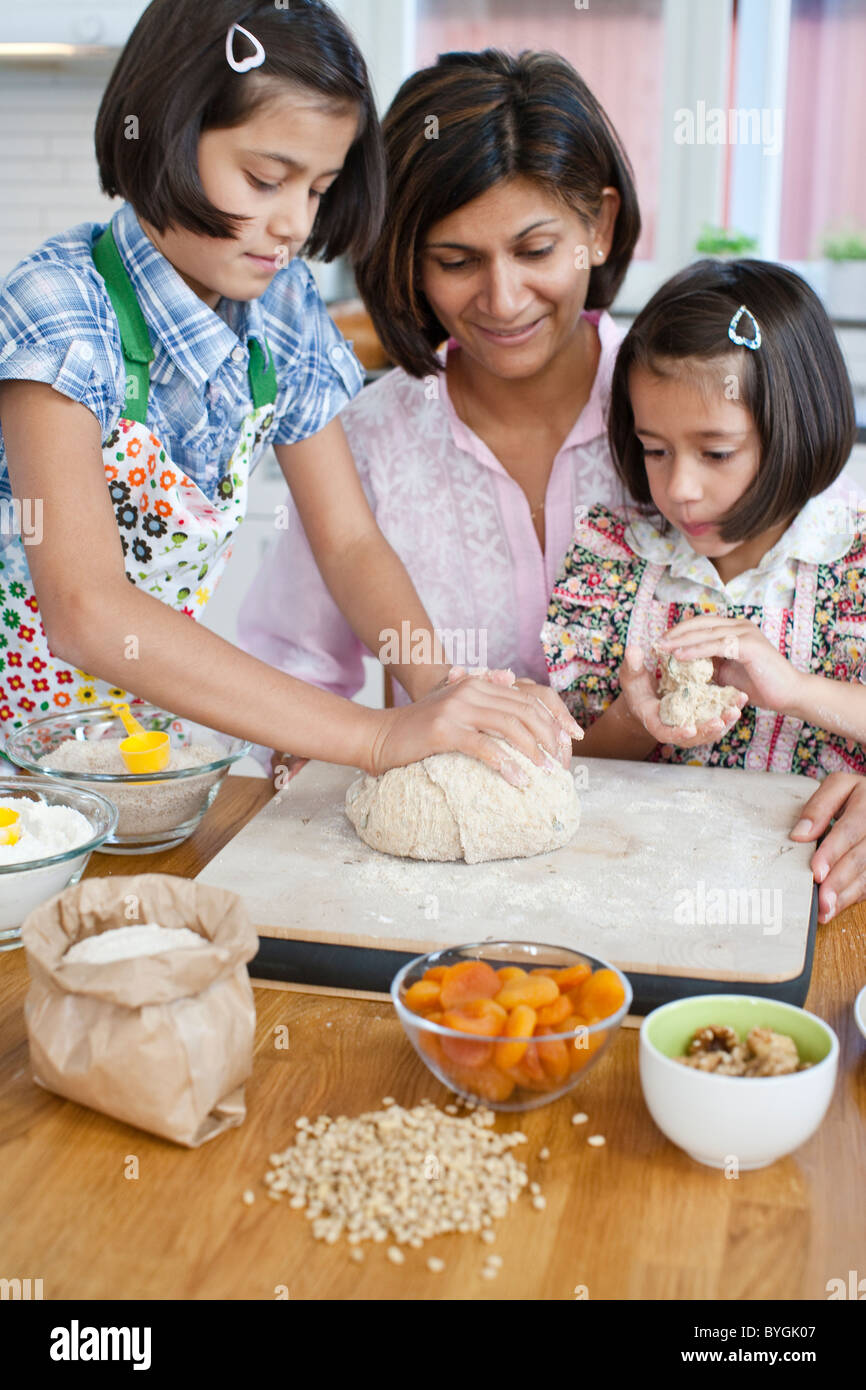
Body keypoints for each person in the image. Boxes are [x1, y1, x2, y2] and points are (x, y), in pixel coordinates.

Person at [0, 0, 579, 787]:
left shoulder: (281, 307)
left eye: (318, 189)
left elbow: (348, 541)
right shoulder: (61, 309)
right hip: (16, 764)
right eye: (266, 180)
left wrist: (440, 692)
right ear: (168, 133)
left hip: (137, 757)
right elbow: (87, 612)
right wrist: (377, 738)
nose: (293, 225)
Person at [238, 49, 640, 745]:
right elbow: (290, 668)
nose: (504, 299)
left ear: (597, 230)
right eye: (456, 262)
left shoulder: (695, 411)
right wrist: (307, 768)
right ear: (408, 262)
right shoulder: (363, 441)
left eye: (536, 250)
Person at [541, 257, 866, 923]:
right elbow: (568, 759)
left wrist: (796, 691)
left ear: (796, 428)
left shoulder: (853, 558)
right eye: (655, 449)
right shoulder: (617, 557)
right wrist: (634, 721)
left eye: (716, 453)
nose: (680, 489)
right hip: (626, 891)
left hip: (821, 897)